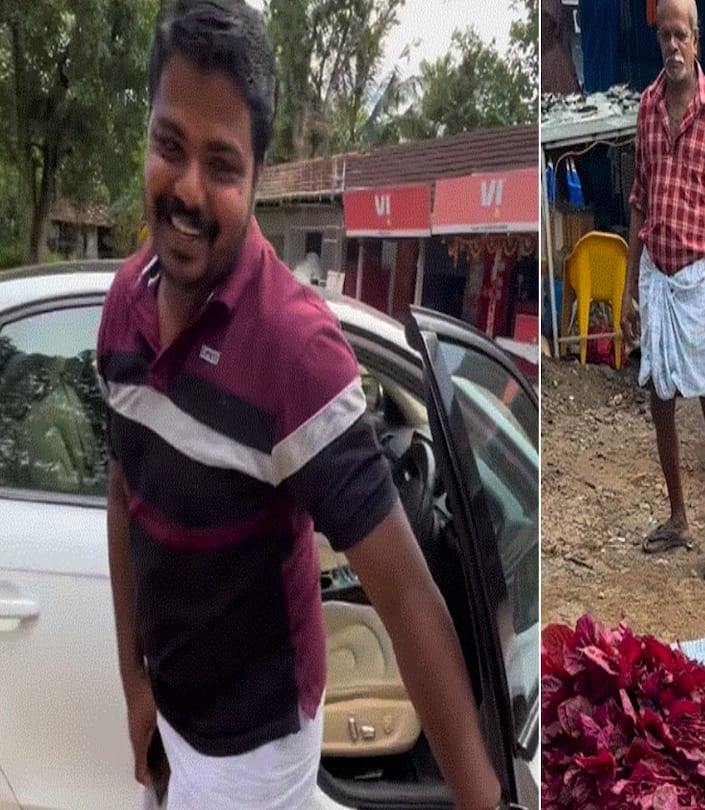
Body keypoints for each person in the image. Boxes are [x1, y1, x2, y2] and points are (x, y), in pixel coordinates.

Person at [96, 2, 505, 808]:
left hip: (254, 749)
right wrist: (132, 679)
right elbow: (125, 491)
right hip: (172, 709)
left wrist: (481, 800)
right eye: (168, 146)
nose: (186, 188)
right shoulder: (124, 302)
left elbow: (411, 598)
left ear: (256, 176)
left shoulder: (295, 350)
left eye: (221, 164)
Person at [620, 0, 705, 582]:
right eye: (664, 36)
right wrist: (628, 292)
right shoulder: (646, 107)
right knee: (660, 397)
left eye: (681, 35)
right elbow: (638, 202)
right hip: (657, 276)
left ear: (697, 40)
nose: (672, 46)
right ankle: (679, 518)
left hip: (700, 278)